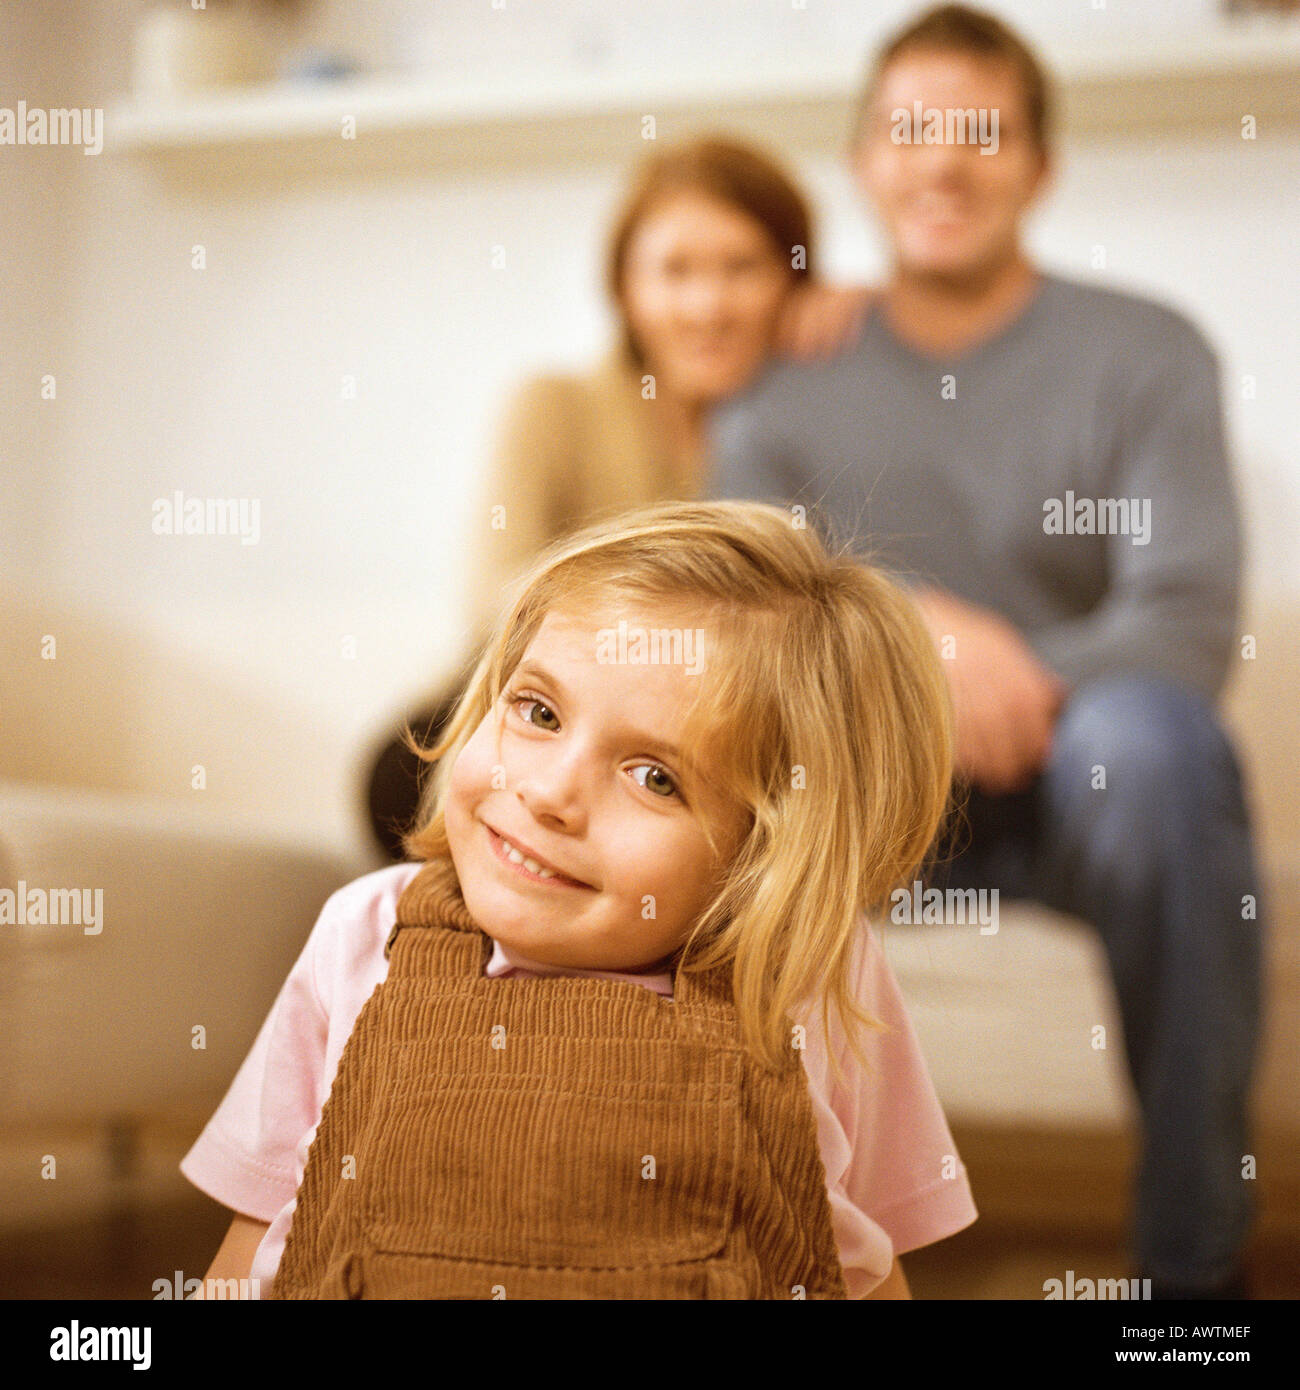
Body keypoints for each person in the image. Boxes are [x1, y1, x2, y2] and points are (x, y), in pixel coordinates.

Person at [709, 4, 1263, 1300]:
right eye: (910, 130)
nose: (944, 161)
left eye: (982, 131)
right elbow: (753, 639)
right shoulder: (782, 388)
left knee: (1154, 742)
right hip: (864, 796)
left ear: (1039, 166)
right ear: (864, 162)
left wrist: (1002, 677)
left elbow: (1181, 617)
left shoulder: (1146, 351)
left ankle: (1193, 1280)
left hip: (1088, 786)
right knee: (731, 787)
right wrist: (919, 651)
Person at [181, 499, 977, 1299]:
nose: (550, 792)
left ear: (769, 855)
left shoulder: (807, 971)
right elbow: (248, 1251)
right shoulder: (363, 932)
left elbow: (870, 1269)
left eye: (654, 778)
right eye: (538, 712)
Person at [364, 135, 873, 861]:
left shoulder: (813, 421)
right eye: (674, 272)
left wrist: (875, 336)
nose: (708, 305)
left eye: (743, 268)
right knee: (401, 773)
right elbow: (496, 602)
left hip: (727, 737)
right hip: (557, 716)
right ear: (625, 291)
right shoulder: (555, 406)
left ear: (796, 283)